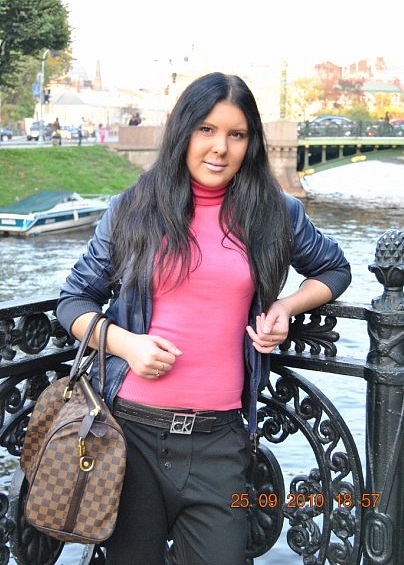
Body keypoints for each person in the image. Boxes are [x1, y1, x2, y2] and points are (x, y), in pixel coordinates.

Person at [56, 72, 351, 565]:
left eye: (236, 134)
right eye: (207, 130)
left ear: (251, 143)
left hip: (221, 440)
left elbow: (334, 269)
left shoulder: (274, 213)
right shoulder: (132, 209)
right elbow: (74, 302)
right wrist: (128, 345)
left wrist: (284, 306)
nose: (220, 148)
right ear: (184, 131)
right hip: (128, 437)